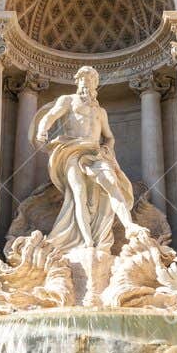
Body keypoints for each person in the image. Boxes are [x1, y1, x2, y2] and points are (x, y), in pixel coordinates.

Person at [32, 66, 145, 252]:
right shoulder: (68, 100)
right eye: (83, 79)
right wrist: (42, 130)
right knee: (79, 194)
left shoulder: (100, 112)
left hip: (95, 153)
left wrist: (107, 149)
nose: (87, 82)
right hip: (72, 151)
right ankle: (88, 242)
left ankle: (129, 226)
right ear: (77, 82)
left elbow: (109, 137)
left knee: (112, 183)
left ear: (95, 84)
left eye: (91, 79)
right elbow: (51, 115)